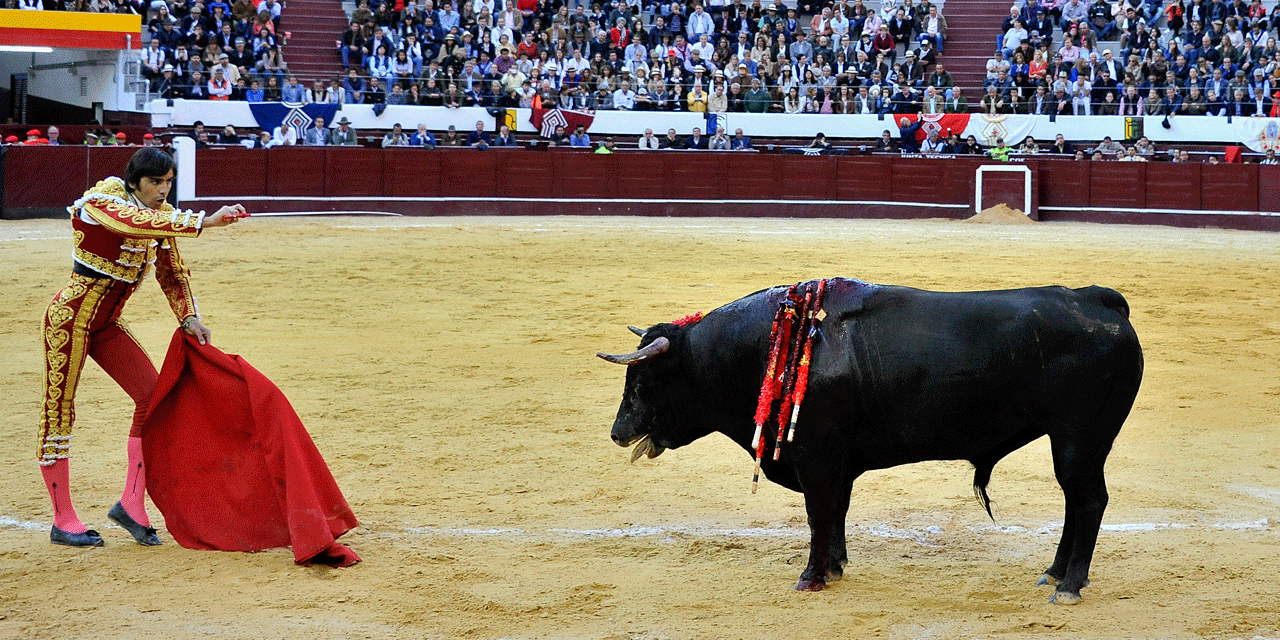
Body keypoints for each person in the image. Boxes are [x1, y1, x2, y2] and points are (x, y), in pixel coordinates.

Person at [38, 148, 246, 548]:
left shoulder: (160, 217)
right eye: (155, 182)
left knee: (152, 399)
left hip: (106, 324)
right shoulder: (104, 199)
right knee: (59, 407)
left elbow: (172, 273)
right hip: (70, 320)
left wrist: (189, 318)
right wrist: (205, 220)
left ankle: (132, 504)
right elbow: (128, 220)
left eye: (168, 182)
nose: (163, 191)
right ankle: (63, 517)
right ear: (134, 181)